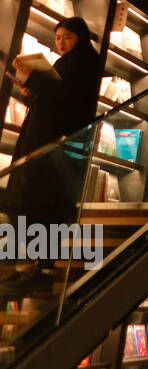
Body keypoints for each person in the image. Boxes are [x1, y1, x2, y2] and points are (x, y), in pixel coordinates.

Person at [0, 17, 101, 294]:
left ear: (80, 37)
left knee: (44, 206)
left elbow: (66, 97)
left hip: (55, 146)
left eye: (67, 37)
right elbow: (49, 99)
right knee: (35, 205)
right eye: (57, 38)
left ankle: (40, 269)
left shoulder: (84, 63)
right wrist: (29, 91)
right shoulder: (66, 62)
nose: (61, 42)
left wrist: (34, 79)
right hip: (45, 143)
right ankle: (31, 267)